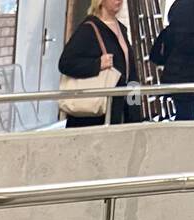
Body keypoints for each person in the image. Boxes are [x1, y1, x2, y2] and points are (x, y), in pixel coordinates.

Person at [58, 0, 143, 128]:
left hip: (118, 113)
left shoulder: (121, 29)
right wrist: (98, 64)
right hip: (94, 115)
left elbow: (131, 74)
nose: (119, 1)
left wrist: (135, 113)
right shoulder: (88, 29)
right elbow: (65, 63)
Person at [153, 0, 194, 121]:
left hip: (190, 73)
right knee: (186, 119)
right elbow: (184, 42)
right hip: (183, 73)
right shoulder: (187, 7)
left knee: (188, 116)